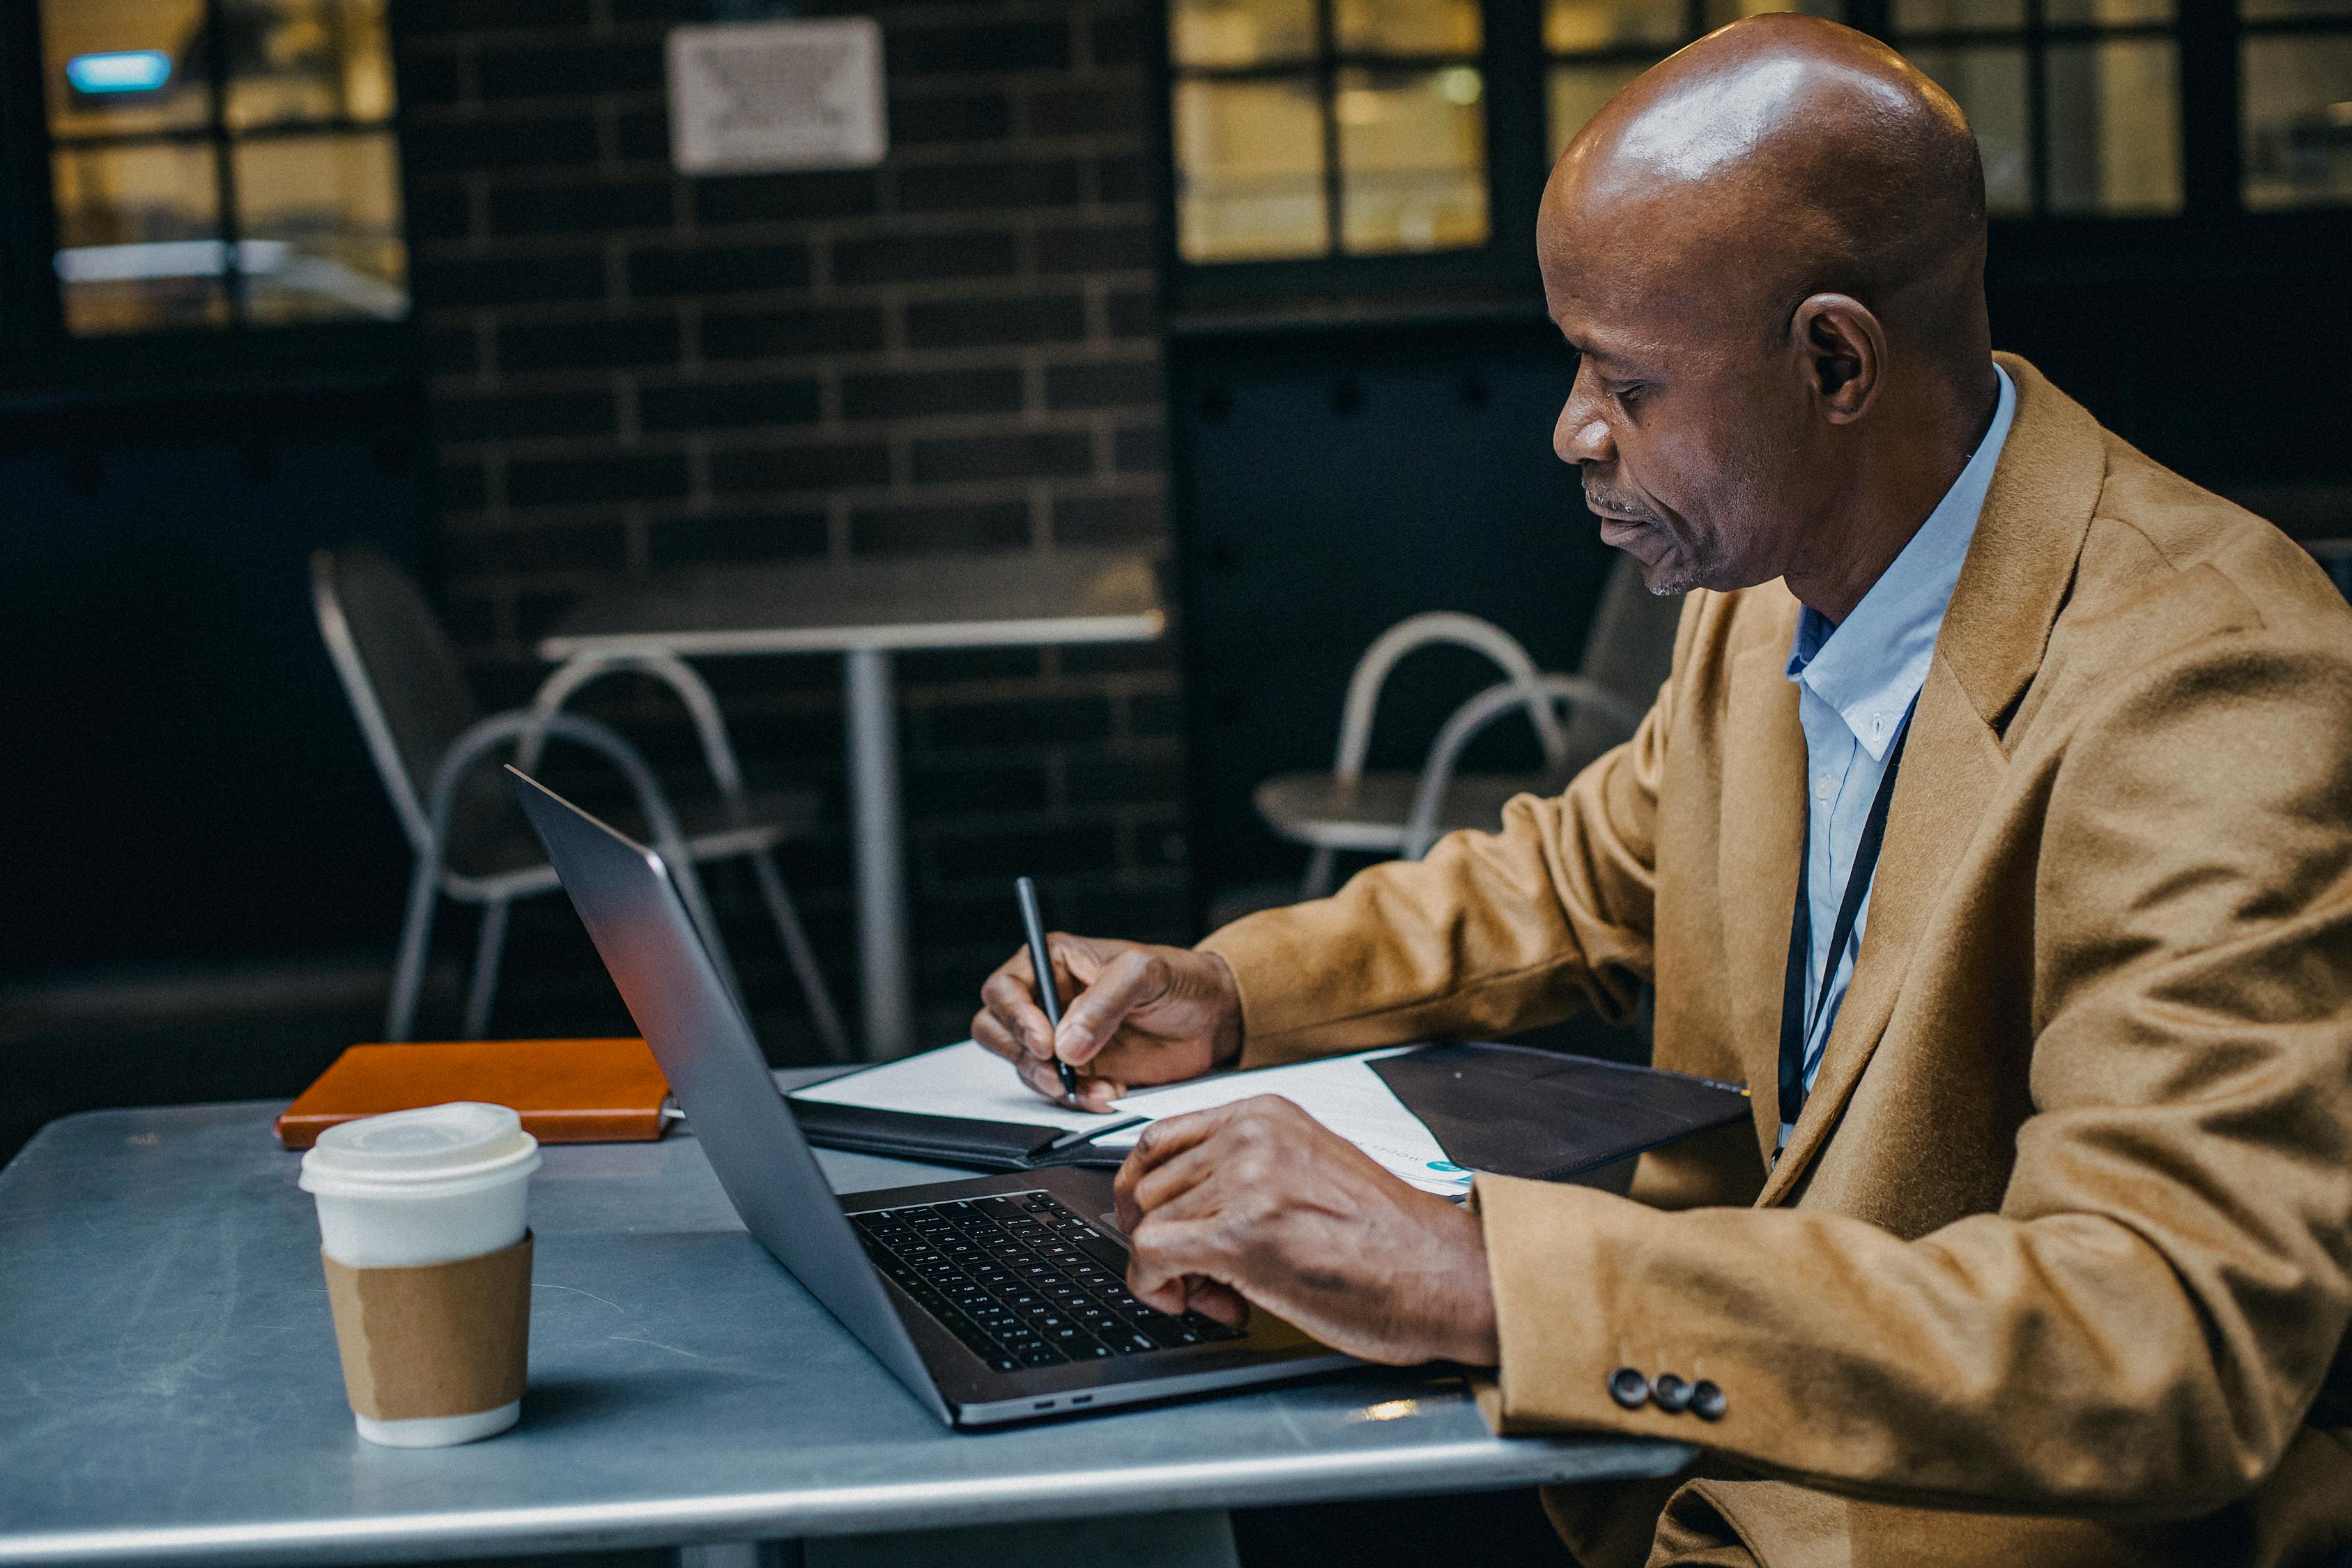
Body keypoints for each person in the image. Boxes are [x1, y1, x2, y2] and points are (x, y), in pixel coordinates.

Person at [974, 15, 2352, 1566]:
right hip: (1669, 1468)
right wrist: (1225, 991)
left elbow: (2160, 1333)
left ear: (1833, 360)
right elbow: (1575, 879)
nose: (1569, 430)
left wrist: (1486, 1277)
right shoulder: (1769, 586)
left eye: (1626, 383)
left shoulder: (2204, 682)